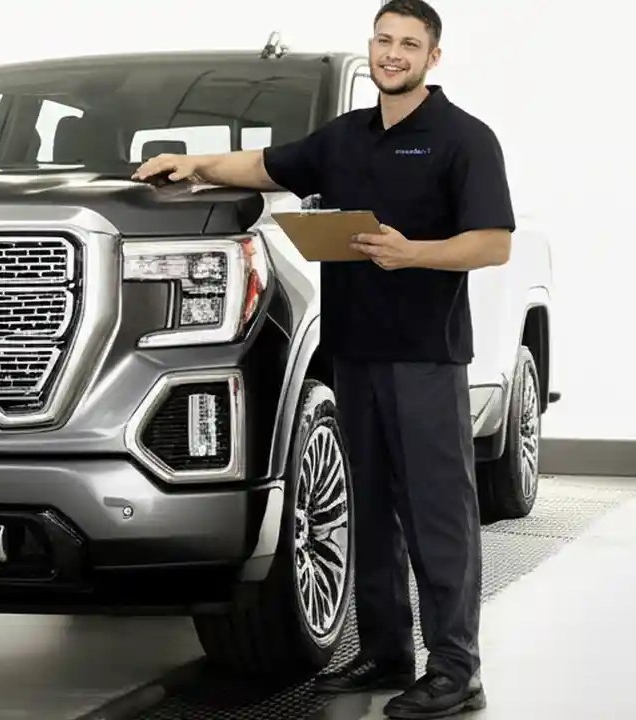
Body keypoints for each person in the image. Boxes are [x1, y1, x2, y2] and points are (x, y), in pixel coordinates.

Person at [132, 1, 513, 718]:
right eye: (383, 40)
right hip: (354, 355)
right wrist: (194, 163)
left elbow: (493, 243)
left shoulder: (464, 139)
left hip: (424, 359)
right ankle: (386, 653)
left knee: (438, 517)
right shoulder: (345, 138)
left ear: (433, 57)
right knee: (370, 513)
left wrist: (413, 254)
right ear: (370, 47)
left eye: (408, 43)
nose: (392, 53)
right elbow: (264, 165)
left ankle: (457, 671)